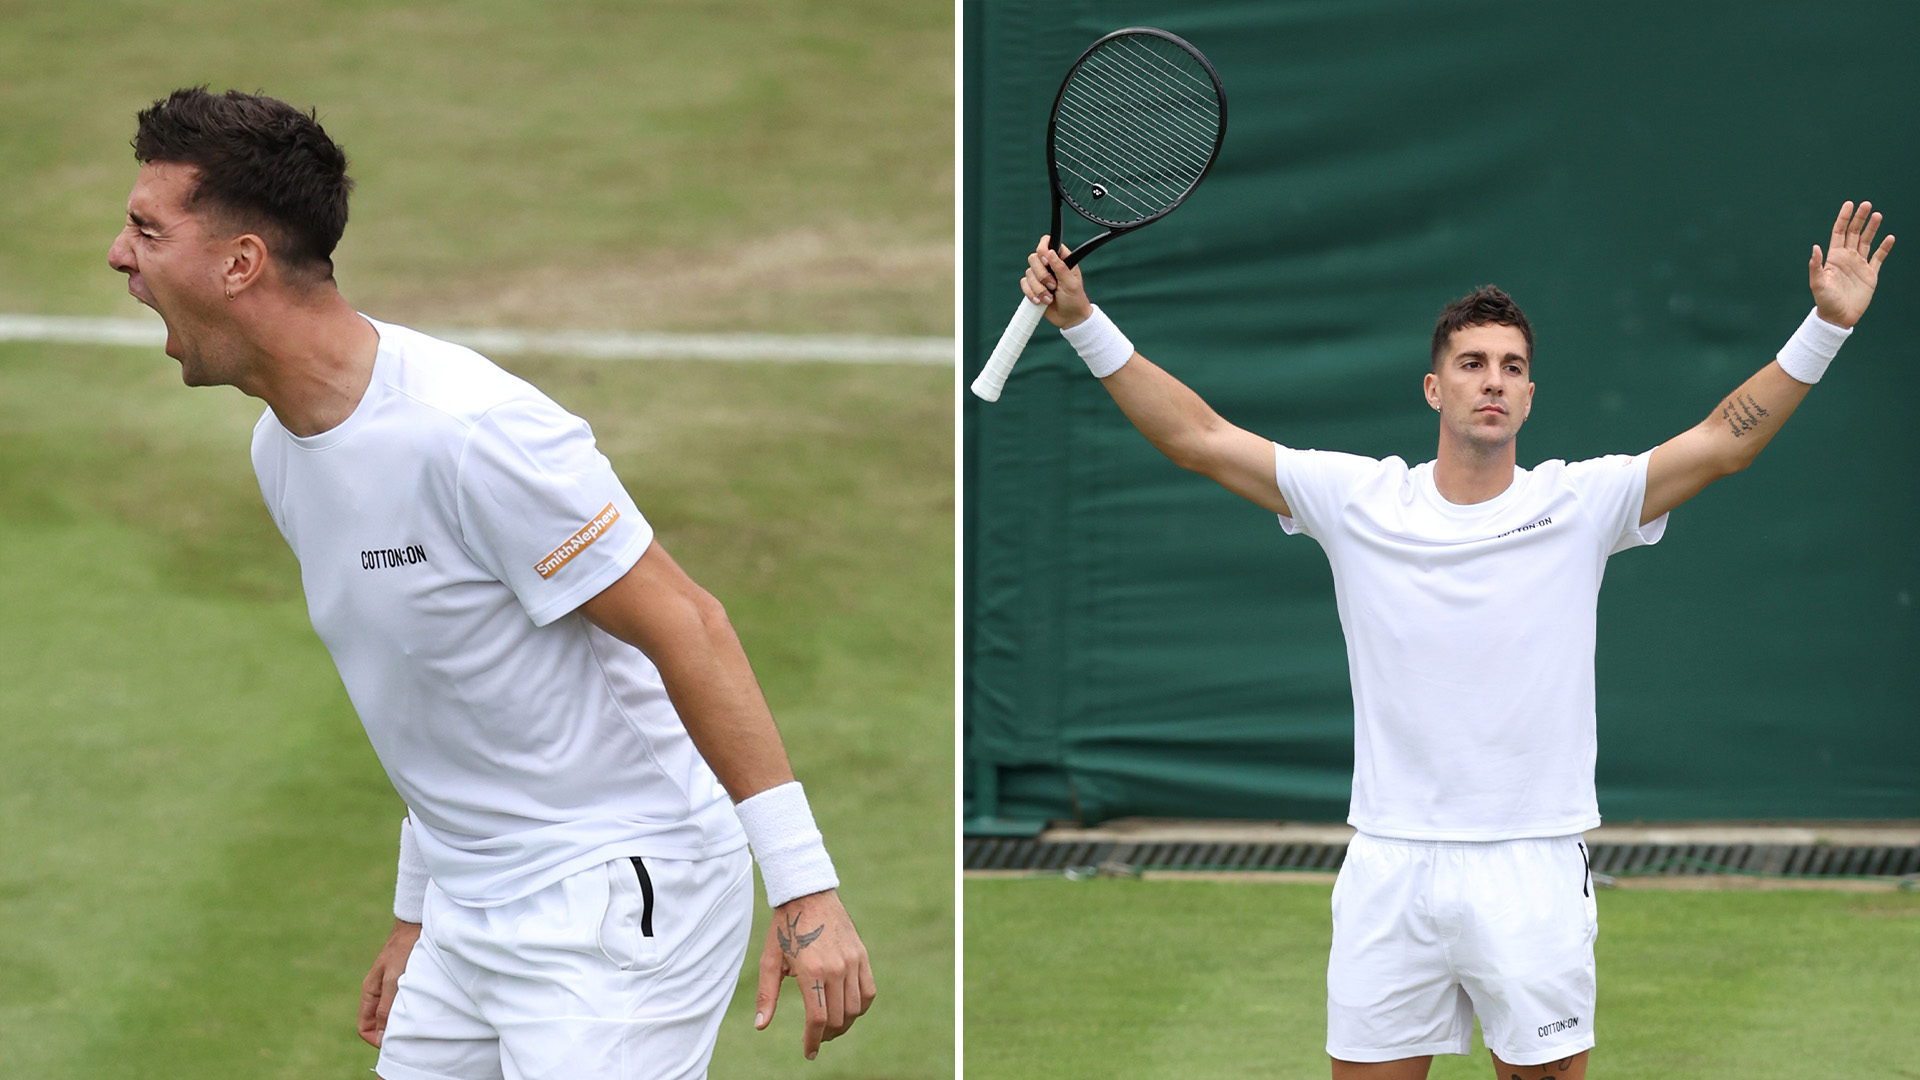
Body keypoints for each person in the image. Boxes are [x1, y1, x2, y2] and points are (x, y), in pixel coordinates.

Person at [1016, 201, 1892, 1080]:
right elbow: (1199, 439)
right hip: (1391, 864)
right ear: (1435, 388)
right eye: (1472, 364)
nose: (1493, 381)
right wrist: (1084, 321)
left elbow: (1719, 446)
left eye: (1512, 367)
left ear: (1531, 395)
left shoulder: (1580, 503)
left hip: (1531, 865)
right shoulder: (1356, 501)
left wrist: (1825, 326)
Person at [106, 86, 876, 1080]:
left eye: (145, 228)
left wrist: (806, 890)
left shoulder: (473, 434)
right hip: (472, 908)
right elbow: (439, 690)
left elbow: (689, 622)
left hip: (620, 894)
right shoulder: (281, 450)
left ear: (240, 262)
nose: (120, 257)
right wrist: (416, 911)